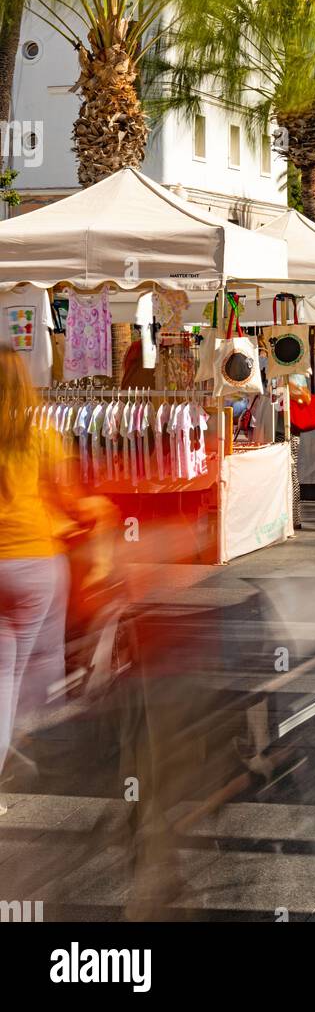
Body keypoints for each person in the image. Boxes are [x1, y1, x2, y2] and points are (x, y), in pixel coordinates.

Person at [0, 346, 114, 812]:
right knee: (28, 668)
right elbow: (67, 495)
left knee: (10, 669)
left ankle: (16, 730)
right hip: (34, 562)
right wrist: (95, 516)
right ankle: (19, 731)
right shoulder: (40, 430)